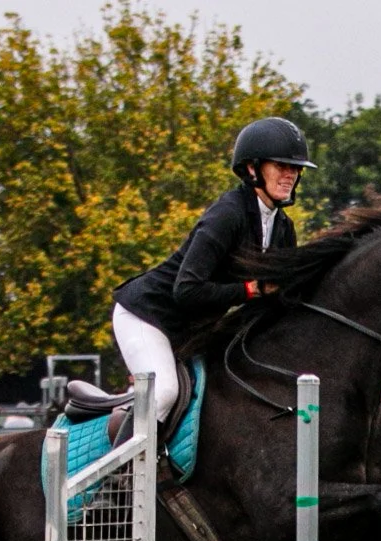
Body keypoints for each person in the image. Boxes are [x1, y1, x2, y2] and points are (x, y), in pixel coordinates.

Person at [111, 116, 316, 423]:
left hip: (195, 331)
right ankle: (121, 469)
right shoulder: (227, 214)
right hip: (148, 317)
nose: (291, 174)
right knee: (164, 392)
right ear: (252, 168)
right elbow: (187, 290)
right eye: (281, 166)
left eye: (295, 168)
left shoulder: (283, 227)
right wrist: (251, 290)